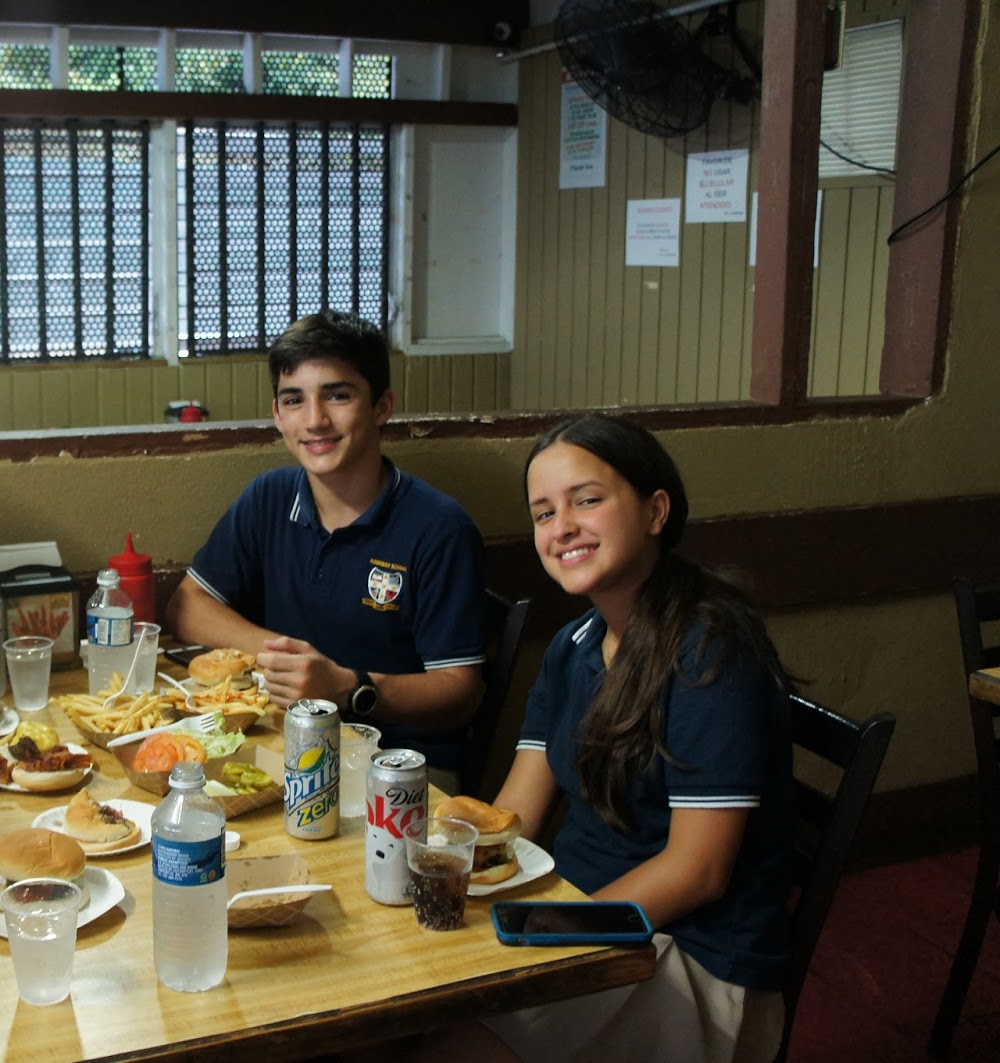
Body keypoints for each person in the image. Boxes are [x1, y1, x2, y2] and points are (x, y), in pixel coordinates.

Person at [414, 414, 792, 1063]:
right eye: (543, 512)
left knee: (443, 1046)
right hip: (577, 916)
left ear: (655, 510)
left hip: (687, 957)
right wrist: (437, 868)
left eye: (586, 500)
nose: (560, 527)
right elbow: (512, 818)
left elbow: (697, 870)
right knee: (396, 1012)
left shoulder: (709, 653)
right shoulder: (575, 646)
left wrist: (551, 930)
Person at [167, 309, 486, 777]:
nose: (315, 420)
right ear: (278, 415)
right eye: (294, 400)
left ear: (381, 407)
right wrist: (287, 661)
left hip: (401, 771)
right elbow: (186, 607)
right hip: (292, 747)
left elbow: (461, 692)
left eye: (338, 396)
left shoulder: (439, 528)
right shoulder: (269, 497)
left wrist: (346, 687)